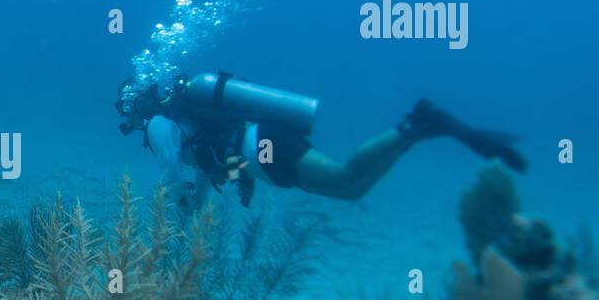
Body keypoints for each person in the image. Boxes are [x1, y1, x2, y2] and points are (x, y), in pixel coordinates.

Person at [117, 71, 527, 208]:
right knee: (351, 189)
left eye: (127, 109)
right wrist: (234, 183)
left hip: (262, 146)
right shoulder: (181, 117)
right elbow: (208, 159)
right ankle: (419, 130)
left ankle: (418, 125)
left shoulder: (157, 124)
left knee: (345, 179)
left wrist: (176, 204)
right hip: (261, 146)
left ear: (137, 104)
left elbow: (173, 167)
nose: (130, 119)